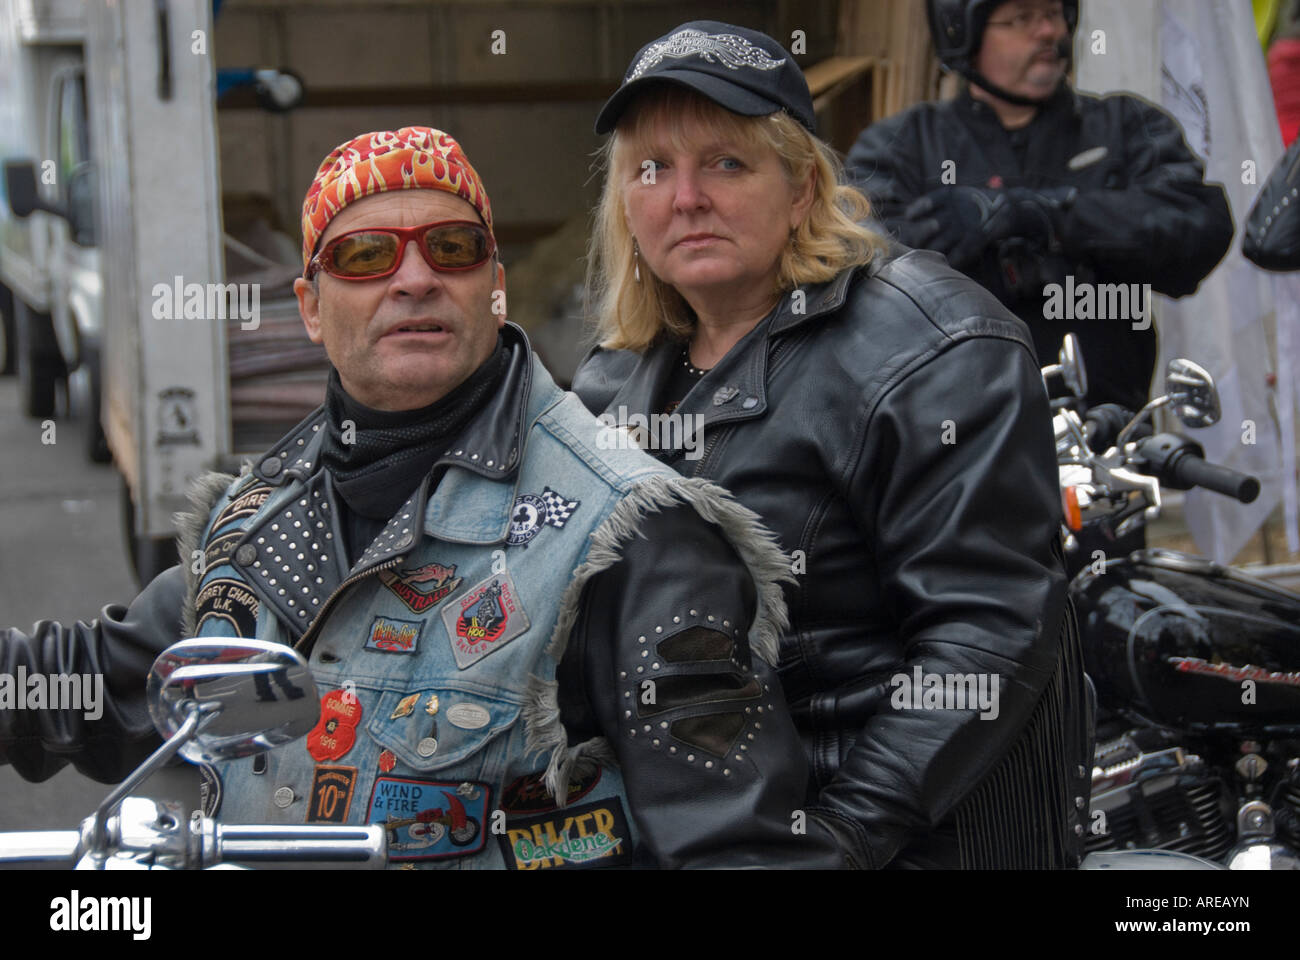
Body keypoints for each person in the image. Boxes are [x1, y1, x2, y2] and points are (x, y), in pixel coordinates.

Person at [0, 126, 846, 869]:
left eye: (450, 248)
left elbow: (740, 851)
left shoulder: (628, 532)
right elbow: (95, 686)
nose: (414, 279)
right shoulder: (258, 521)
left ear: (492, 284)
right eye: (365, 257)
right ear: (311, 308)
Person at [573, 21, 1091, 868]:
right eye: (653, 169)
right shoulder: (610, 384)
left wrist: (841, 839)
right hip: (691, 839)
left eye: (727, 162)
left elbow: (985, 640)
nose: (686, 196)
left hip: (902, 842)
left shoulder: (932, 348)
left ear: (804, 186)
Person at [847, 0, 1234, 414]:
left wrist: (1045, 217)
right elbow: (859, 266)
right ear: (962, 32)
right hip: (951, 433)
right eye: (1021, 18)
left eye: (1052, 14)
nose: (1048, 32)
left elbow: (1199, 227)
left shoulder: (1125, 125)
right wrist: (971, 268)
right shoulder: (905, 145)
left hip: (1104, 432)